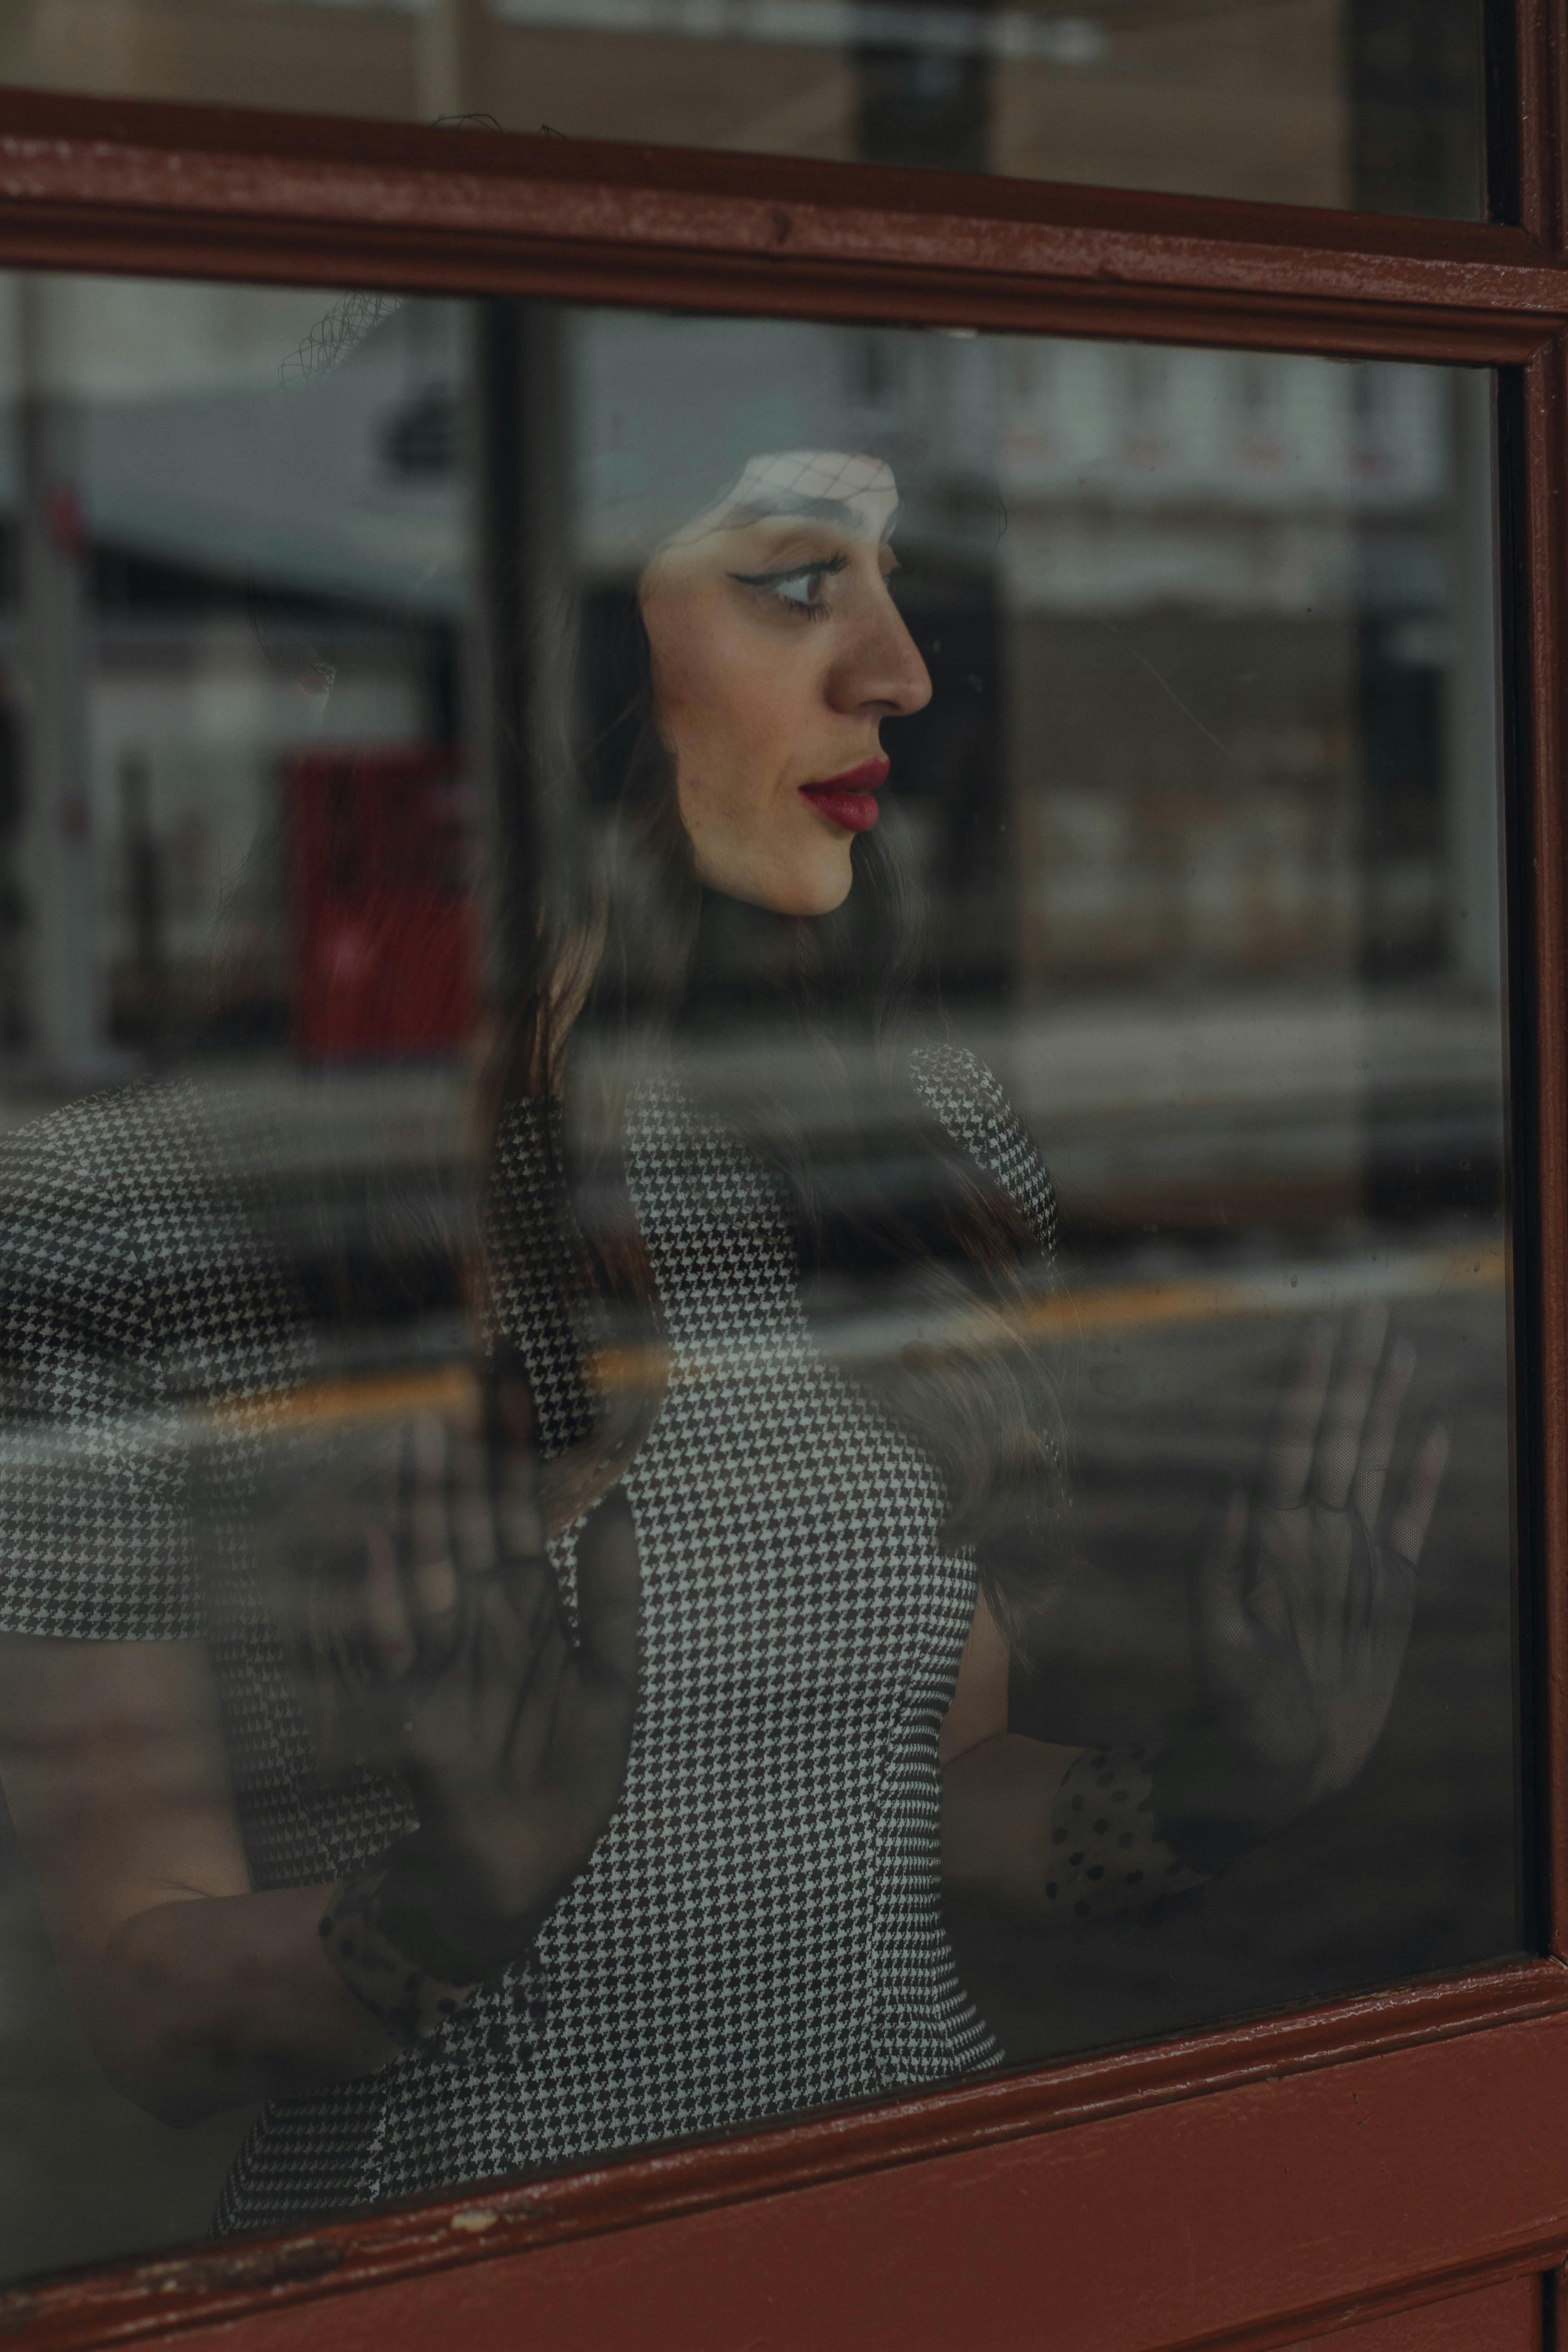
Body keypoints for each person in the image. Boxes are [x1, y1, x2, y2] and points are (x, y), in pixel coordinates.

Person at [0, 442, 1446, 2235]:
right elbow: (145, 1998)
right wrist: (447, 1913)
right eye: (796, 583)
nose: (900, 672)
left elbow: (935, 1792)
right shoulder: (134, 1211)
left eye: (889, 583)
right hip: (478, 2266)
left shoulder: (917, 1137)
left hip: (907, 2229)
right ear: (548, 654)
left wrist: (1219, 1789)